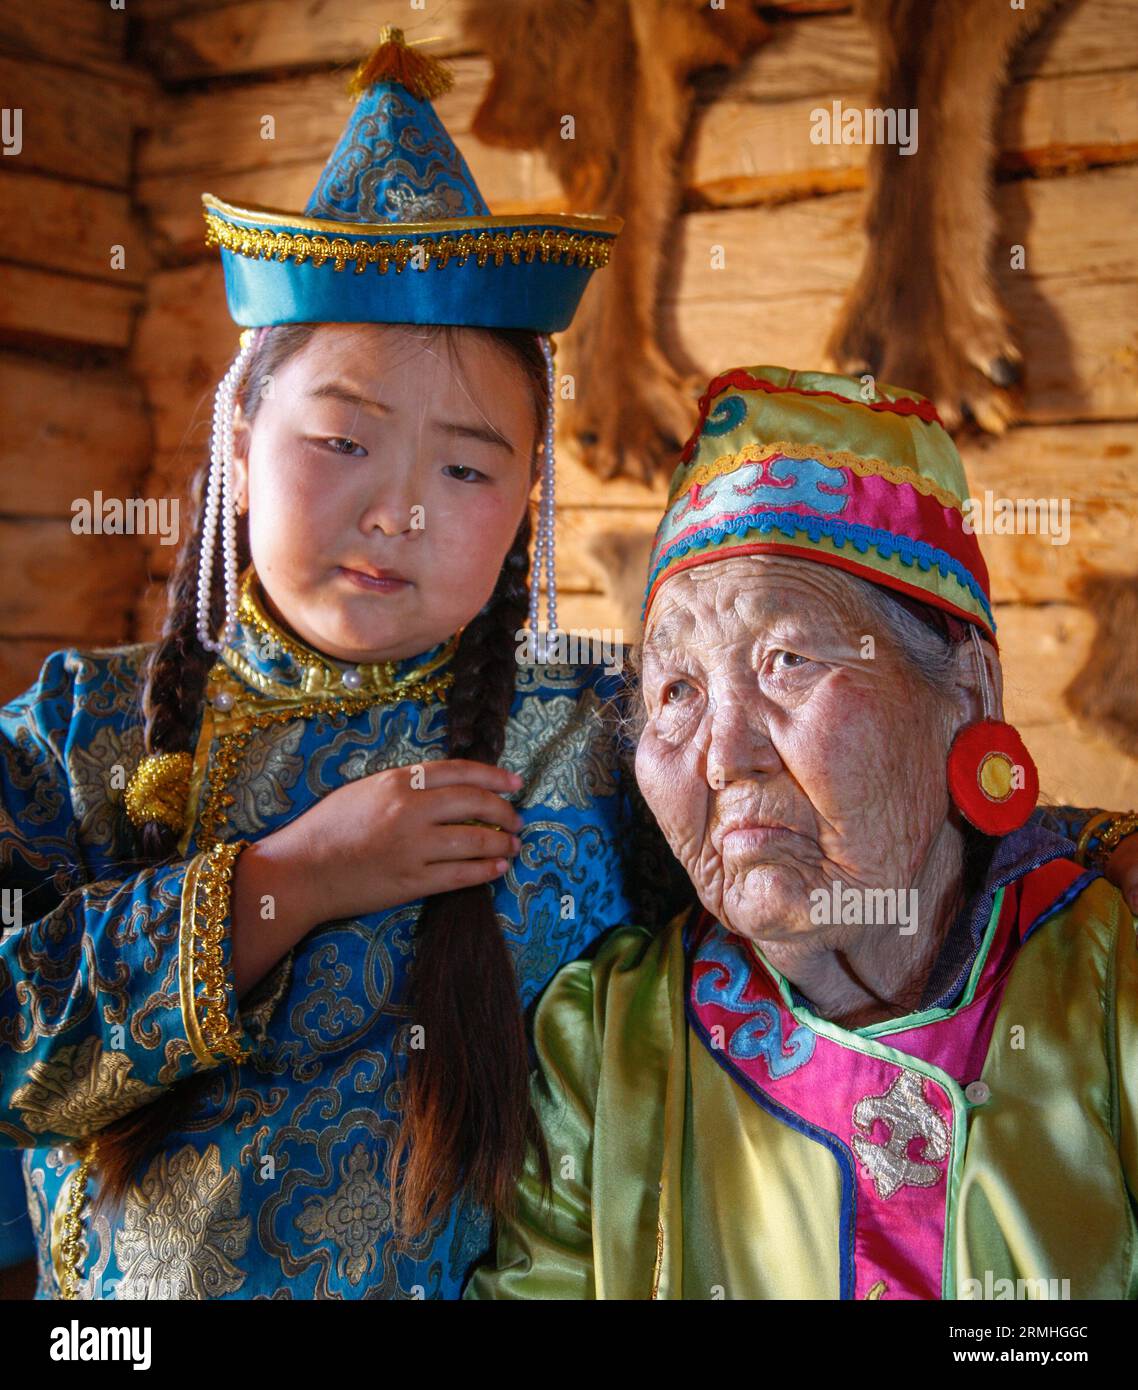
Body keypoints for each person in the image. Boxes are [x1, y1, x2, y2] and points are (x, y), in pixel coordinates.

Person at [0, 27, 650, 1301]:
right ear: (240, 443)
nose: (398, 510)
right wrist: (290, 880)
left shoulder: (600, 747)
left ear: (527, 502)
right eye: (344, 442)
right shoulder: (82, 731)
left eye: (464, 468)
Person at [466, 365, 1138, 1300]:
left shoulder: (1108, 982)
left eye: (787, 660)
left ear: (967, 691)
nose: (723, 757)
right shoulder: (606, 1048)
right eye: (677, 691)